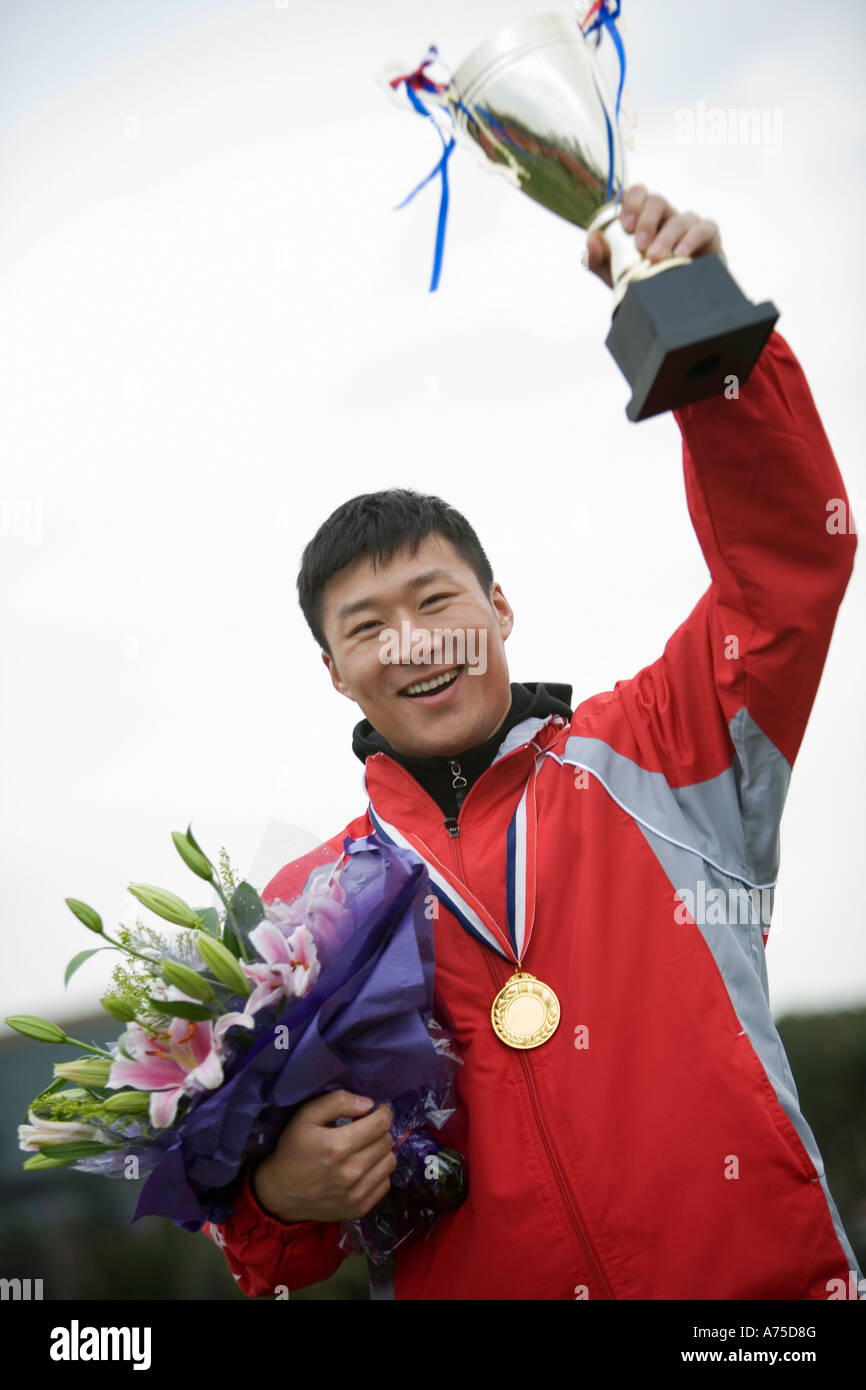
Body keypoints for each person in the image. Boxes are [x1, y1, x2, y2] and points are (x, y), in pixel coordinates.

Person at [203, 186, 862, 1300]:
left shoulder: (664, 748)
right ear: (332, 670)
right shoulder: (301, 912)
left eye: (436, 598)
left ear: (499, 608)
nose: (413, 643)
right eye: (366, 626)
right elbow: (269, 1250)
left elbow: (790, 553)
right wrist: (275, 1195)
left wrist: (706, 340)